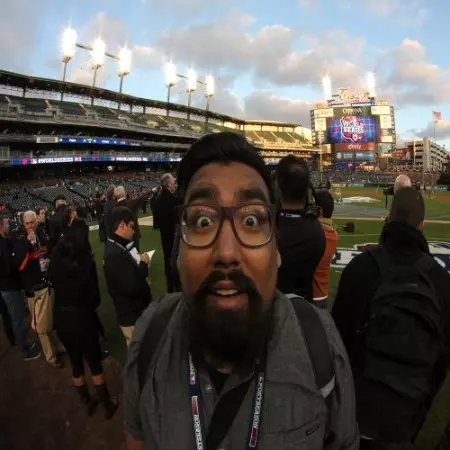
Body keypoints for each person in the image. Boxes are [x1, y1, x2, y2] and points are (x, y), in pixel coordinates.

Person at [123, 132, 358, 450]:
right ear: (178, 250)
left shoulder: (320, 344)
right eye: (203, 221)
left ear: (277, 249)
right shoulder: (150, 334)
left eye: (251, 219)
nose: (227, 252)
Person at [332, 187, 450, 449]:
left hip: (358, 408)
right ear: (422, 226)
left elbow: (338, 342)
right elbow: (441, 361)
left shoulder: (360, 267)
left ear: (388, 217)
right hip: (408, 415)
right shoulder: (441, 281)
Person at [49, 217, 118, 419]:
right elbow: (95, 299)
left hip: (62, 319)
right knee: (94, 364)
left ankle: (87, 402)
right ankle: (107, 404)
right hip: (81, 319)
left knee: (76, 364)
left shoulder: (56, 258)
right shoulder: (86, 263)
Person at [13, 210, 63, 368]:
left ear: (36, 222)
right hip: (34, 289)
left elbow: (50, 250)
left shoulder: (41, 233)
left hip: (47, 284)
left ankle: (57, 346)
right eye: (27, 223)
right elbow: (19, 266)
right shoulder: (20, 240)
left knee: (52, 320)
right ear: (23, 224)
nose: (30, 226)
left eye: (32, 222)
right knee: (42, 326)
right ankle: (50, 356)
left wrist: (47, 260)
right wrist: (28, 244)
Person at [275, 155, 326, 301]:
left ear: (278, 186)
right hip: (304, 307)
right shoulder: (316, 231)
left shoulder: (267, 229)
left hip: (272, 310)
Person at [104, 206, 152, 346]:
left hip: (134, 311)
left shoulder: (117, 245)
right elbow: (132, 287)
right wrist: (143, 264)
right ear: (121, 225)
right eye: (131, 226)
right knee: (139, 356)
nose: (134, 230)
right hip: (131, 315)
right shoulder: (114, 253)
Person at [0, 215, 41, 360]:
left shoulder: (5, 240)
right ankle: (24, 351)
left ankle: (20, 343)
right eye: (6, 224)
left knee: (14, 319)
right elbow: (9, 267)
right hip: (9, 288)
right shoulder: (2, 244)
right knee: (17, 320)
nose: (9, 226)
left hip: (8, 287)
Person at [312, 190, 339, 309]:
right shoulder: (334, 234)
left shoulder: (315, 234)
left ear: (320, 210)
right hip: (323, 294)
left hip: (312, 295)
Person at [152, 173, 178, 292]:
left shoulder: (157, 199)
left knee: (167, 259)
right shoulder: (172, 199)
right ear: (168, 184)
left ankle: (170, 287)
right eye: (172, 182)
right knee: (174, 260)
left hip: (164, 235)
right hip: (173, 235)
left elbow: (156, 218)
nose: (174, 184)